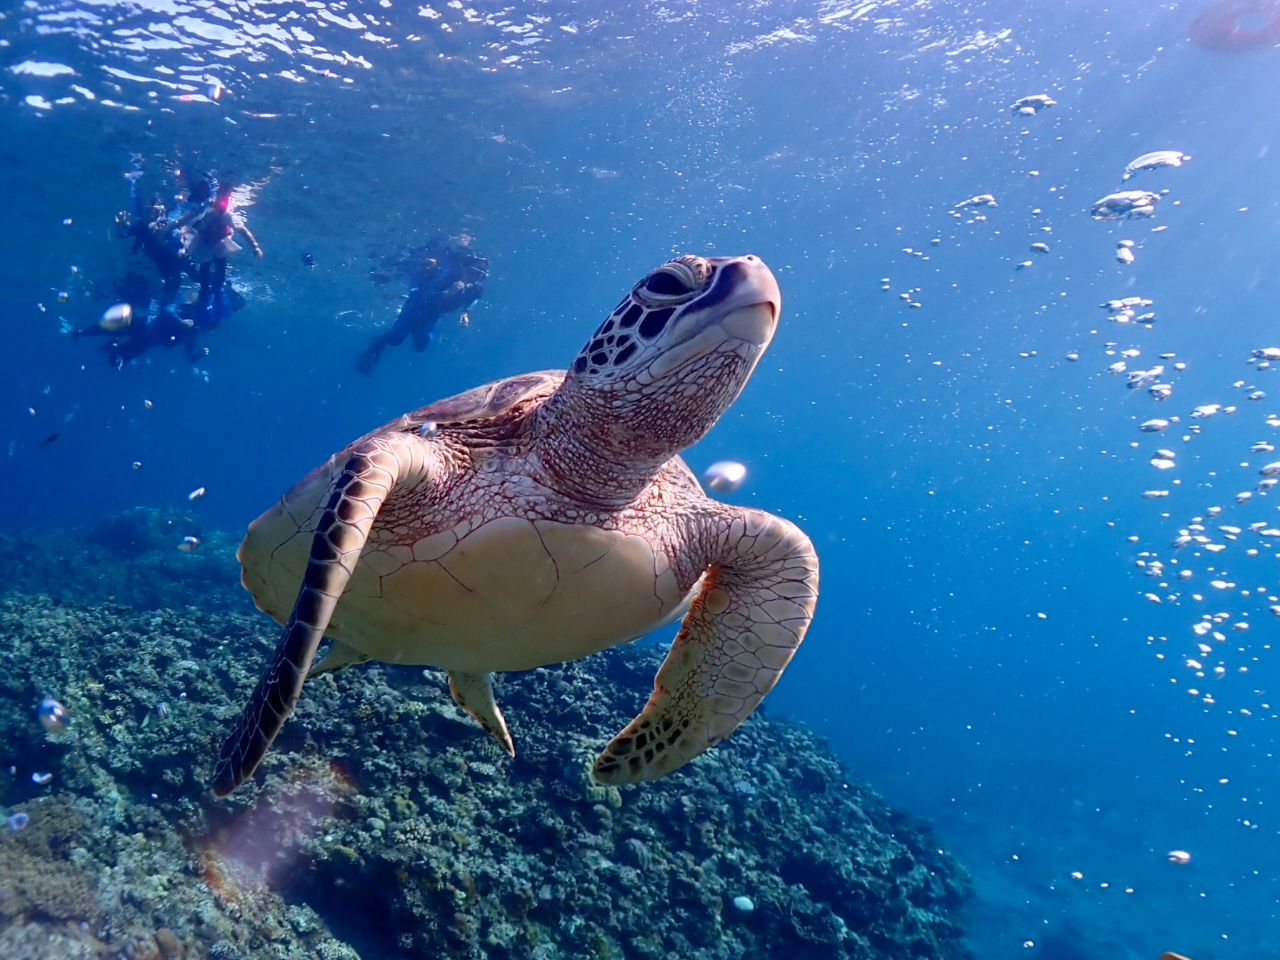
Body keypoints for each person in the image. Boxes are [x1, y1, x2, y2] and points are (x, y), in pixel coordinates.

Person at [356, 238, 488, 375]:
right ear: (464, 269)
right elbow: (427, 296)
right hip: (414, 308)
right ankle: (375, 348)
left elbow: (472, 301)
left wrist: (466, 312)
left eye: (481, 275)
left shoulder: (475, 290)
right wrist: (448, 292)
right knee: (396, 339)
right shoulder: (448, 277)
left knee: (420, 347)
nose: (477, 277)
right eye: (474, 272)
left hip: (432, 317)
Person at [176, 181, 263, 329]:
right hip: (203, 243)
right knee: (204, 268)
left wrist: (255, 246)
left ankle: (217, 289)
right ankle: (205, 292)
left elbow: (243, 230)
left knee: (220, 266)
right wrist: (180, 241)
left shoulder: (225, 215)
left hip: (219, 242)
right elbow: (181, 223)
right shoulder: (199, 214)